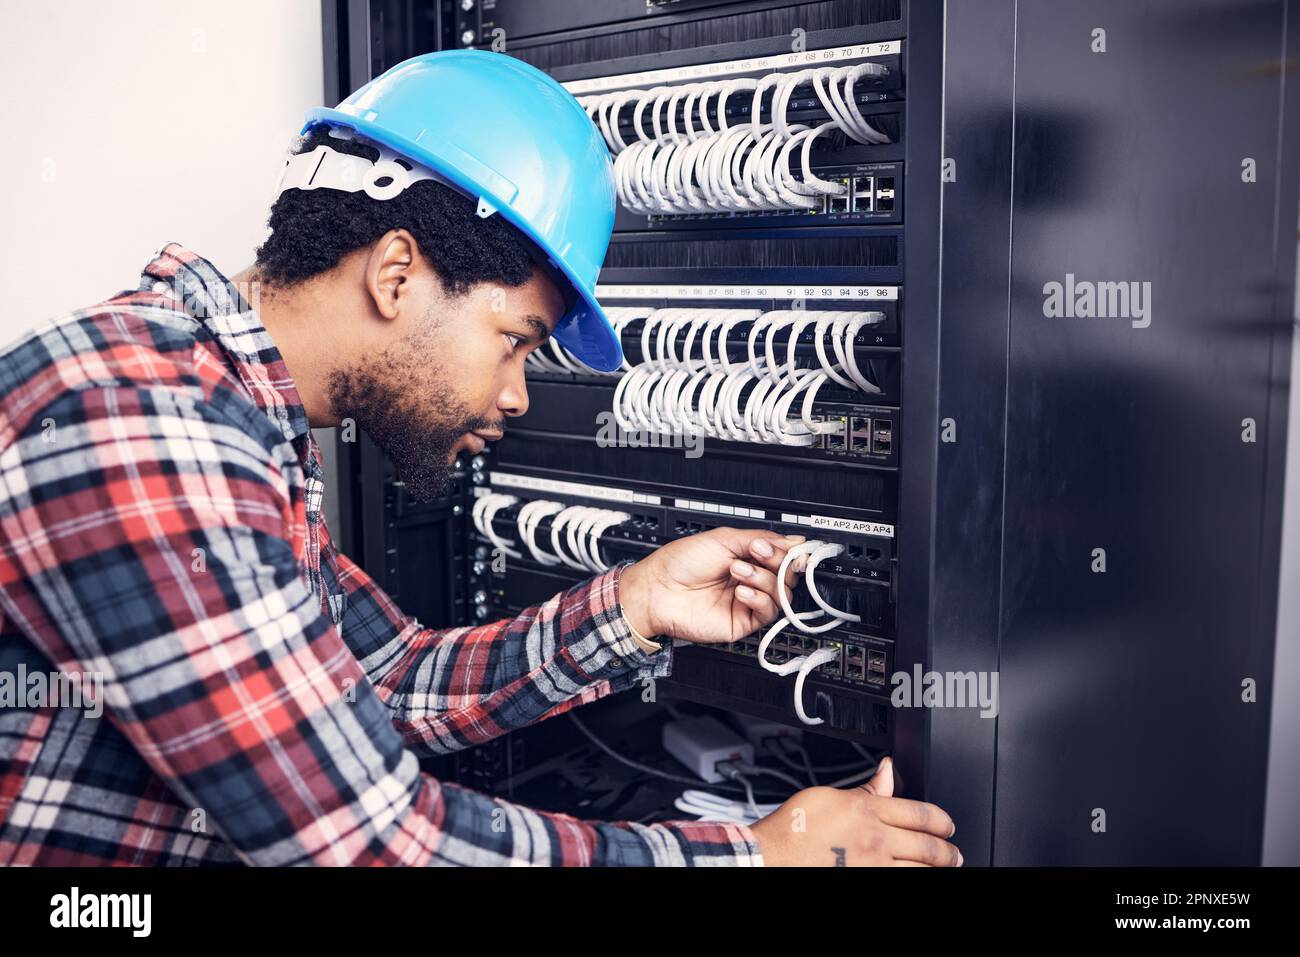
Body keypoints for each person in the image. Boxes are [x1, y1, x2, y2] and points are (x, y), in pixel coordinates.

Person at [0, 50, 960, 867]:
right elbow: (373, 846)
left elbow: (380, 684)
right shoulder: (138, 417)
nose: (517, 395)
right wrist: (757, 854)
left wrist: (633, 603)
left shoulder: (232, 415)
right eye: (515, 339)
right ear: (396, 273)